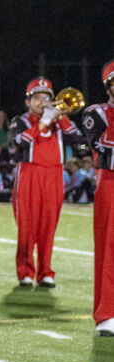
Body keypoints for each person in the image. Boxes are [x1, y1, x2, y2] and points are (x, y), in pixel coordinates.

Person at [8, 76, 80, 288]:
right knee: (27, 226)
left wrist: (62, 118)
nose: (42, 102)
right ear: (27, 102)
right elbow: (19, 142)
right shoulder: (20, 121)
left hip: (54, 175)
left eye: (46, 98)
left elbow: (78, 140)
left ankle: (45, 272)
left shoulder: (59, 122)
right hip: (29, 173)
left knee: (49, 225)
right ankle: (25, 272)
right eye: (37, 98)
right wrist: (43, 122)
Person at [78, 61, 114, 336]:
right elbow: (100, 145)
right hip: (111, 182)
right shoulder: (96, 112)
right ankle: (107, 313)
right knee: (109, 248)